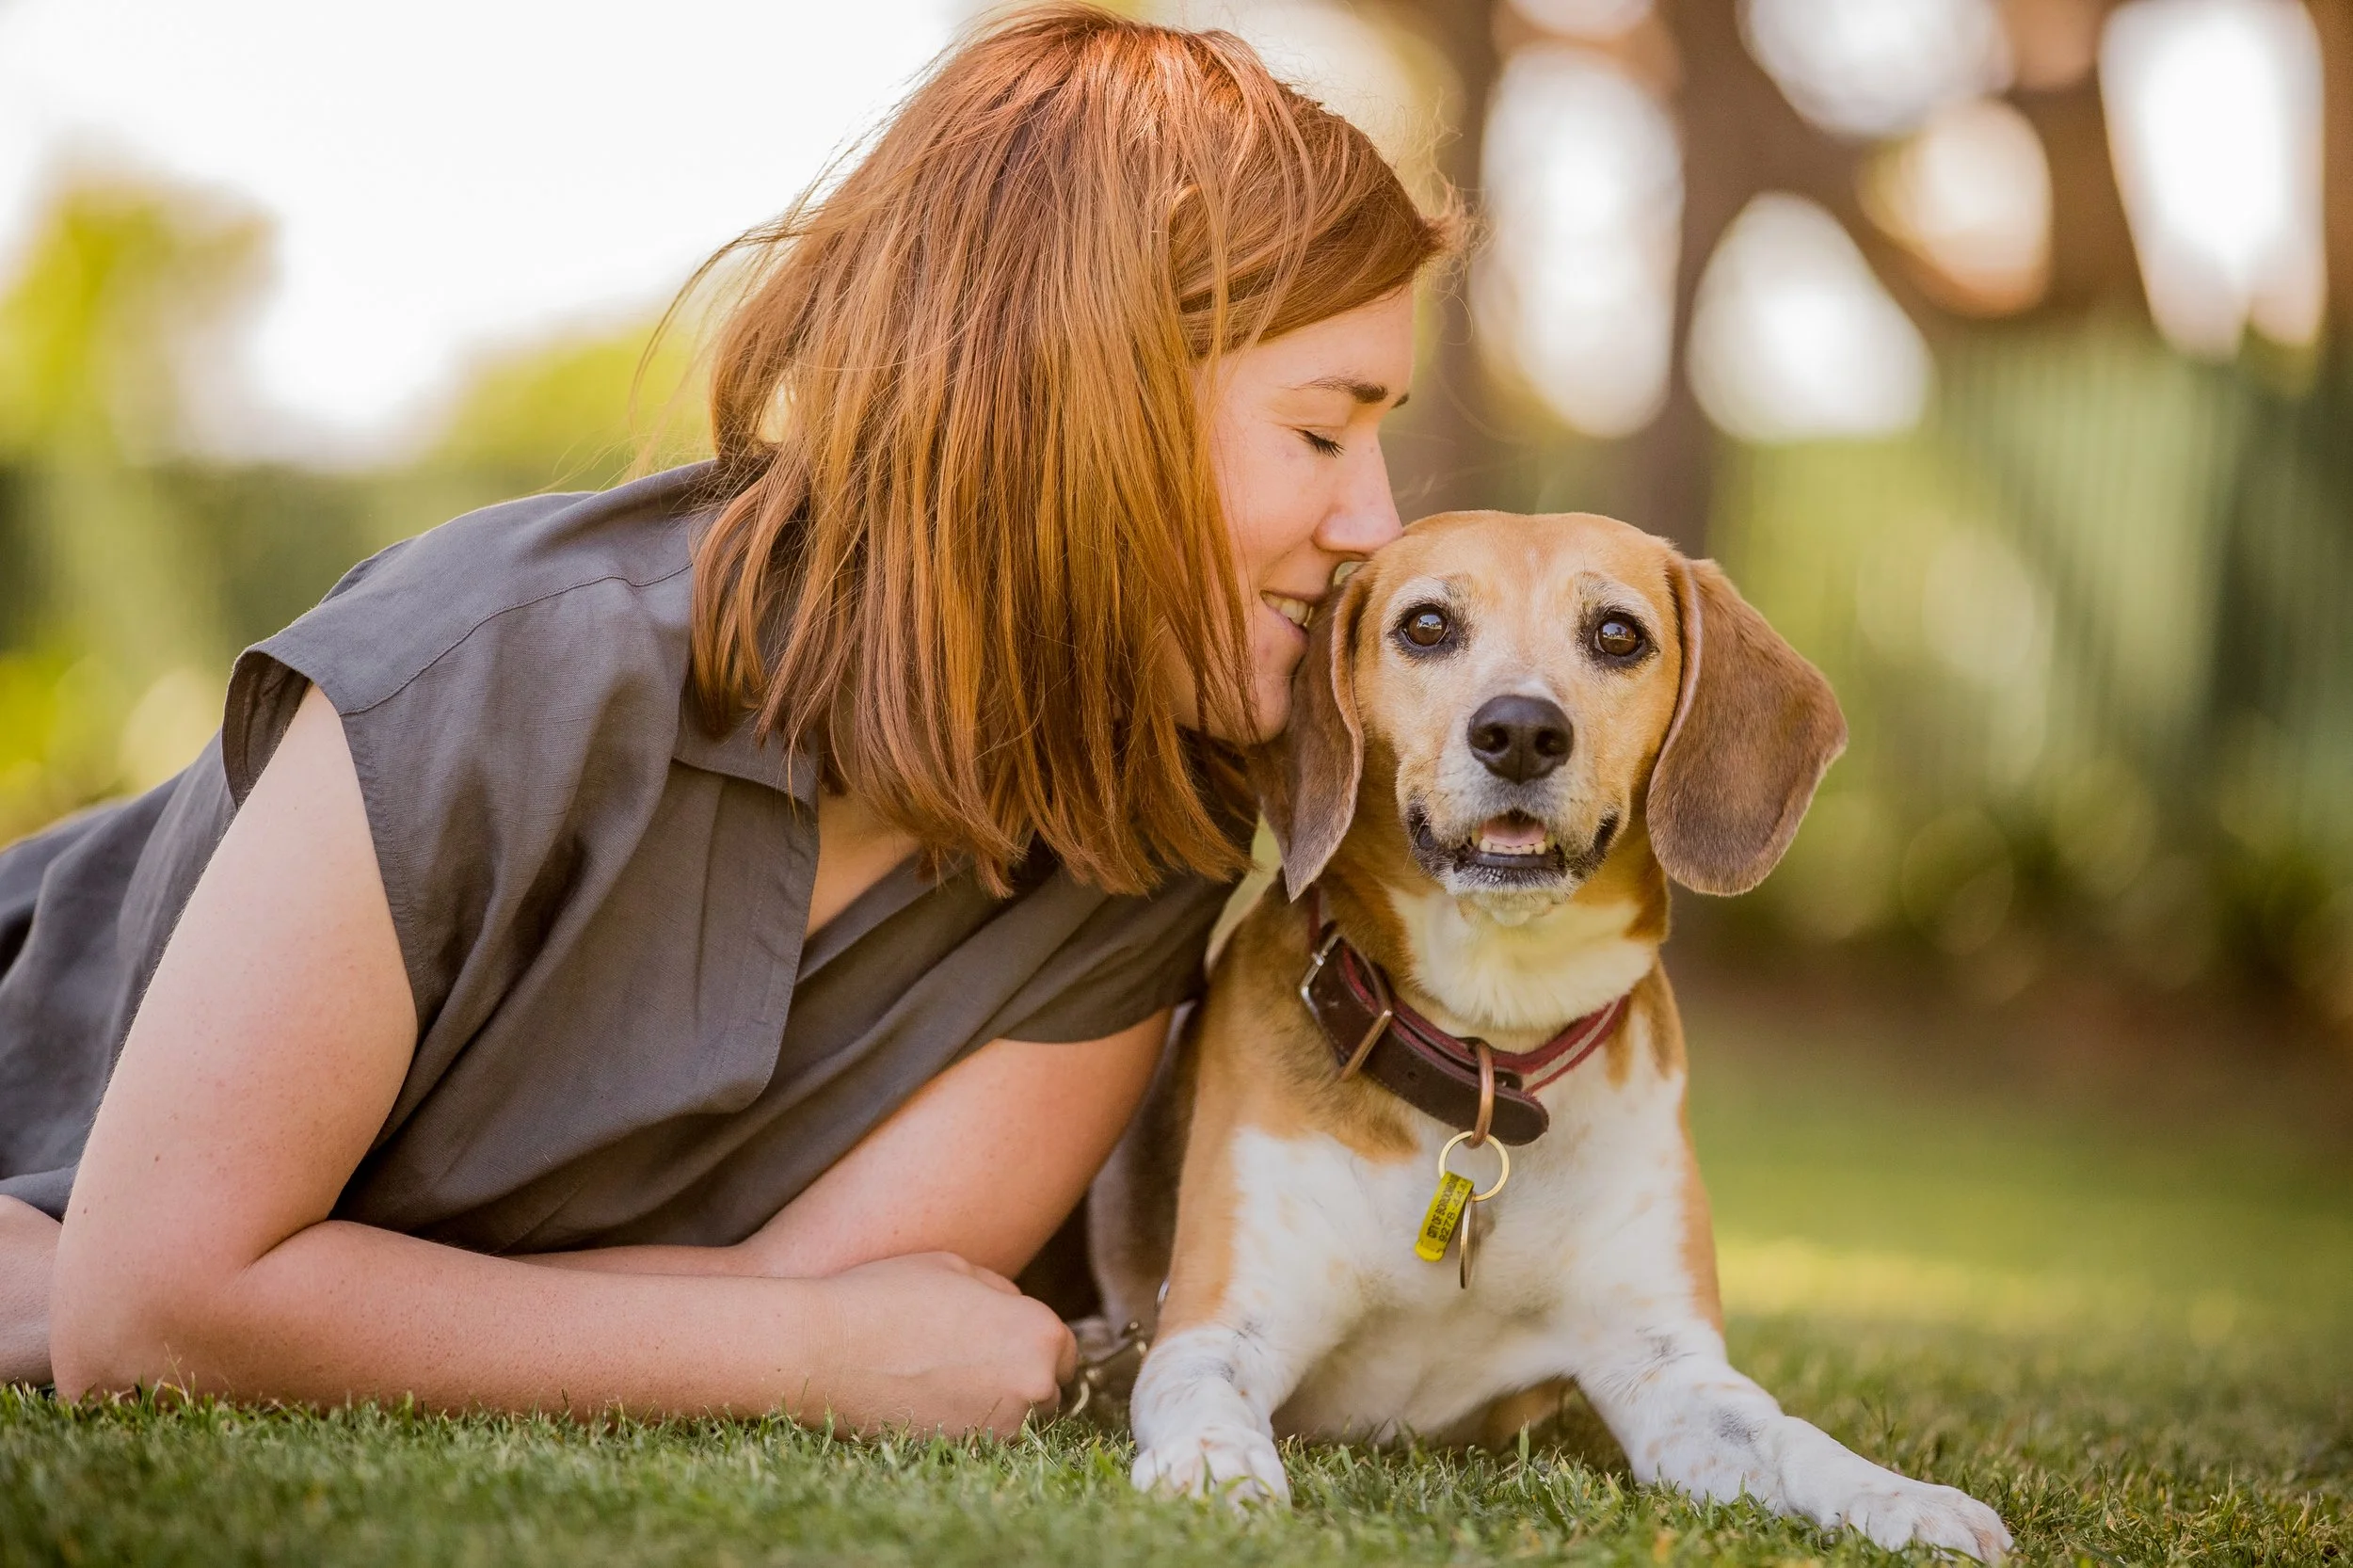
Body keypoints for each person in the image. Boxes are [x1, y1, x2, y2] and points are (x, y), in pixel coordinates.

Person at [0, 6, 1453, 1432]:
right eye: (1323, 430)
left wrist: (288, 1298)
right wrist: (794, 1350)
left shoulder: (1155, 844)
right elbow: (156, 1320)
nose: (1375, 520)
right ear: (1085, 408)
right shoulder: (499, 667)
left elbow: (818, 1294)